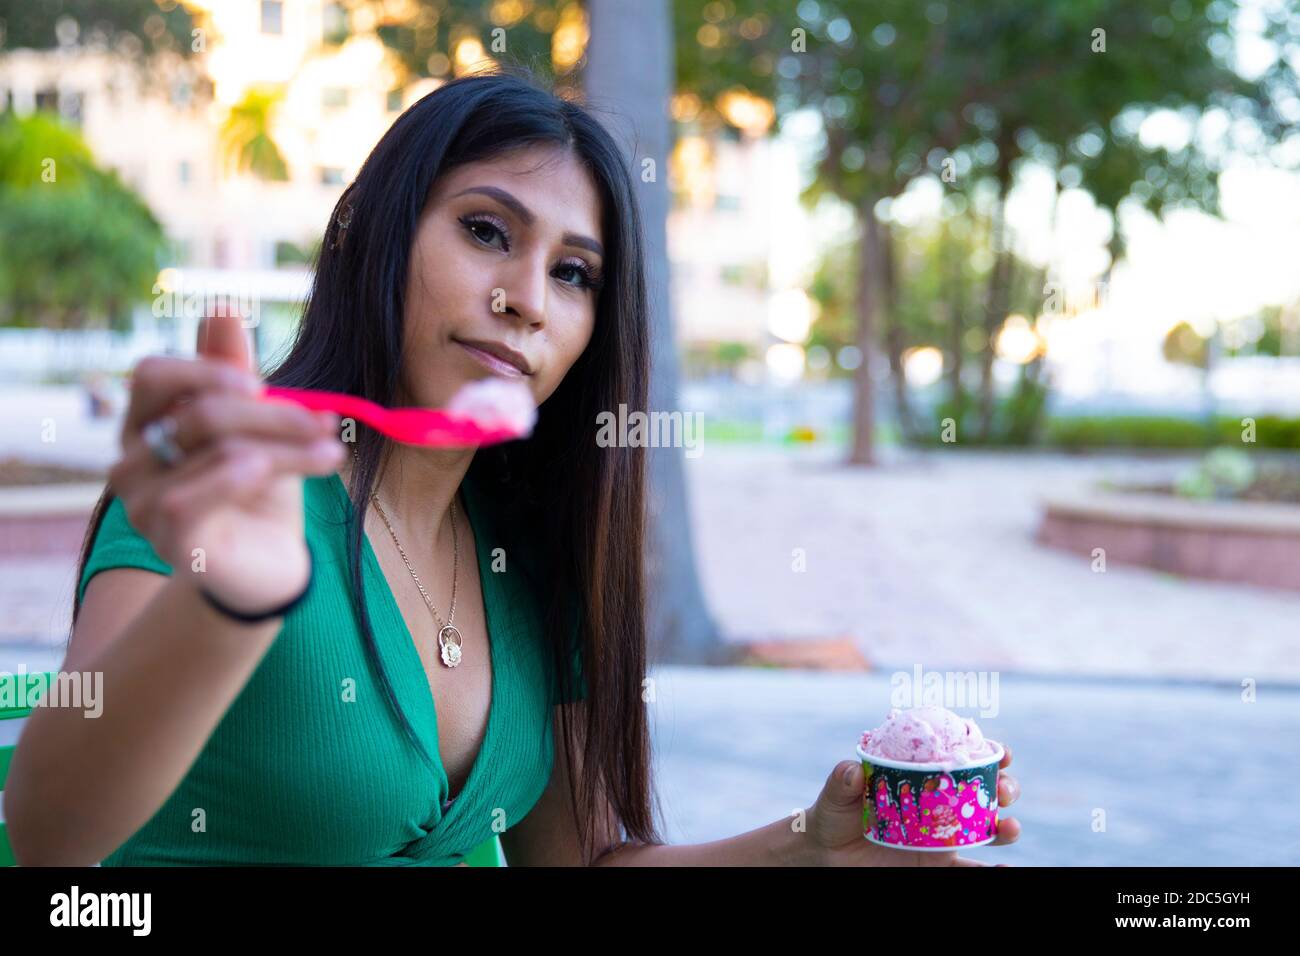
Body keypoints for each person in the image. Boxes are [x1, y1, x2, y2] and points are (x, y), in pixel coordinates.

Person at [3, 69, 1020, 866]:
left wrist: (811, 846)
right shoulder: (234, 495)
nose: (526, 296)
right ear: (381, 236)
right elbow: (52, 834)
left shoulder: (528, 550)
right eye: (486, 231)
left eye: (573, 272)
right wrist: (227, 598)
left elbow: (581, 858)